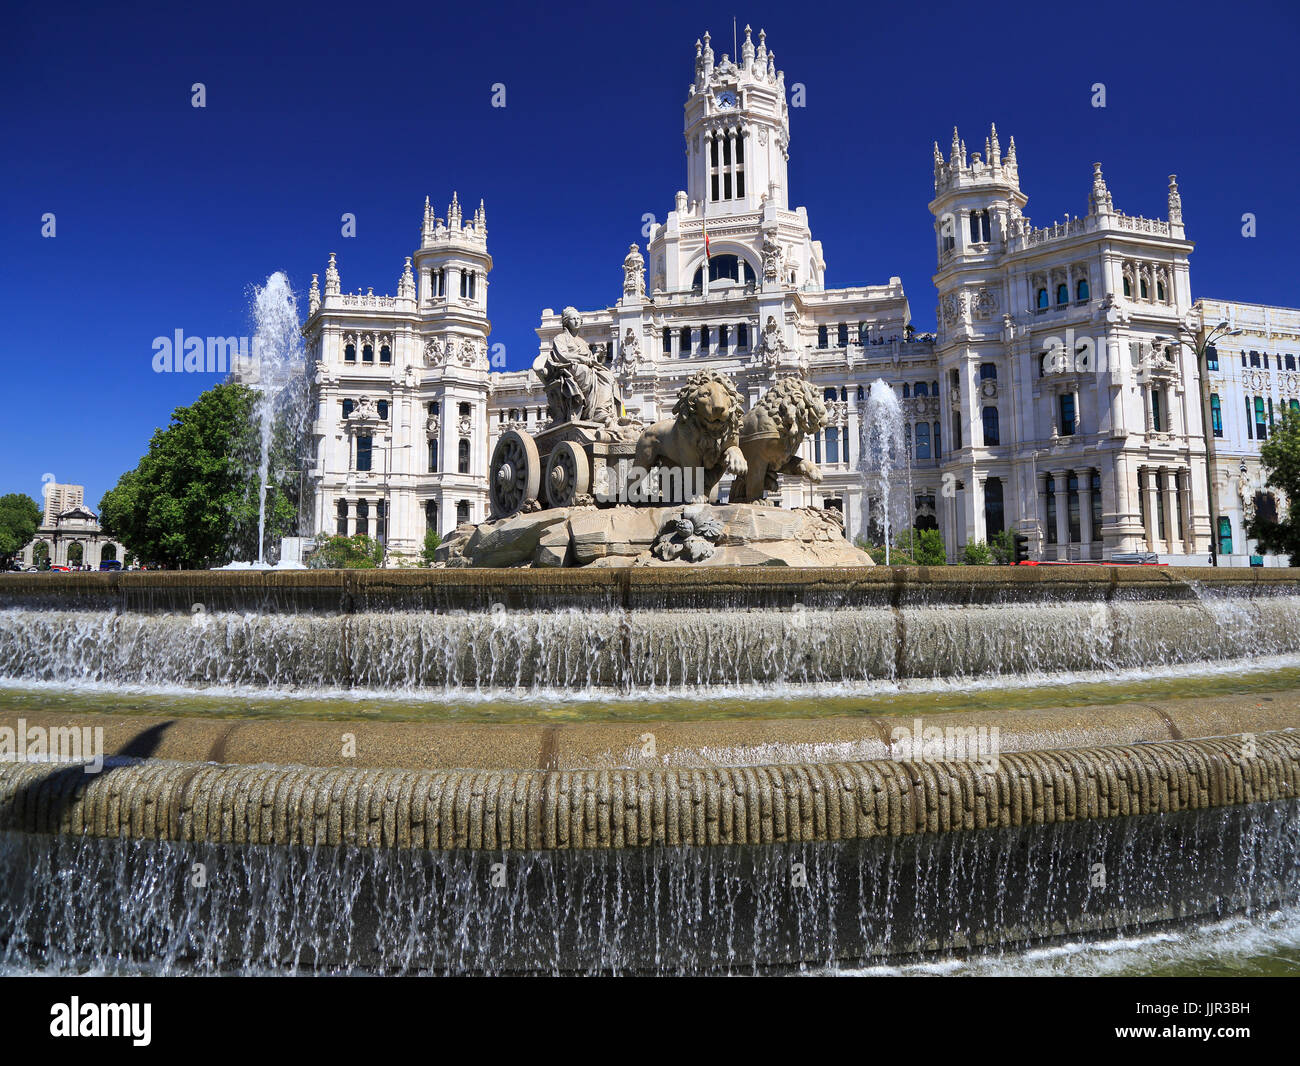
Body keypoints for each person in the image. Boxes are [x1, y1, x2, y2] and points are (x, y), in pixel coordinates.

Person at [533, 307, 623, 426]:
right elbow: (562, 355)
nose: (576, 321)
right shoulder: (560, 338)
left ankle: (600, 411)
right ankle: (586, 409)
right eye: (573, 319)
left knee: (607, 376)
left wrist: (599, 358)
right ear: (566, 322)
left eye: (578, 319)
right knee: (584, 370)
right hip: (567, 367)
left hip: (586, 368)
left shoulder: (582, 342)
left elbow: (591, 358)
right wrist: (581, 359)